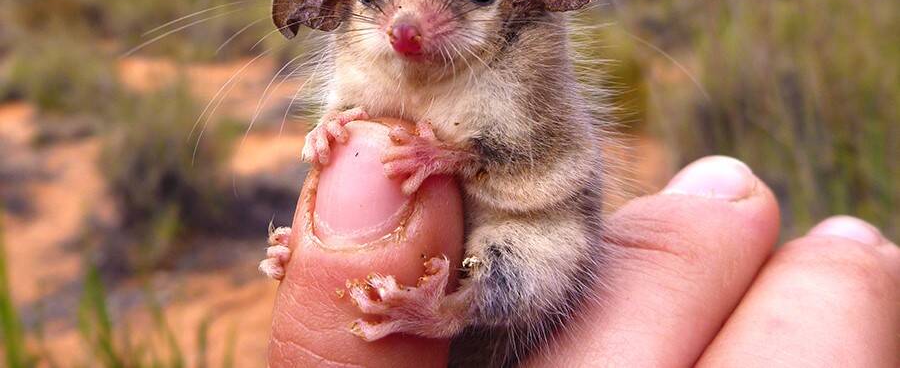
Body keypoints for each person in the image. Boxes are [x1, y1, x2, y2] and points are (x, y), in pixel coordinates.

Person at [266, 122, 899, 367]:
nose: (405, 26)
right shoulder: (364, 66)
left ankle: (443, 309)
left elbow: (546, 162)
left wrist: (458, 153)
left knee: (530, 260)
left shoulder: (526, 83)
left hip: (516, 239)